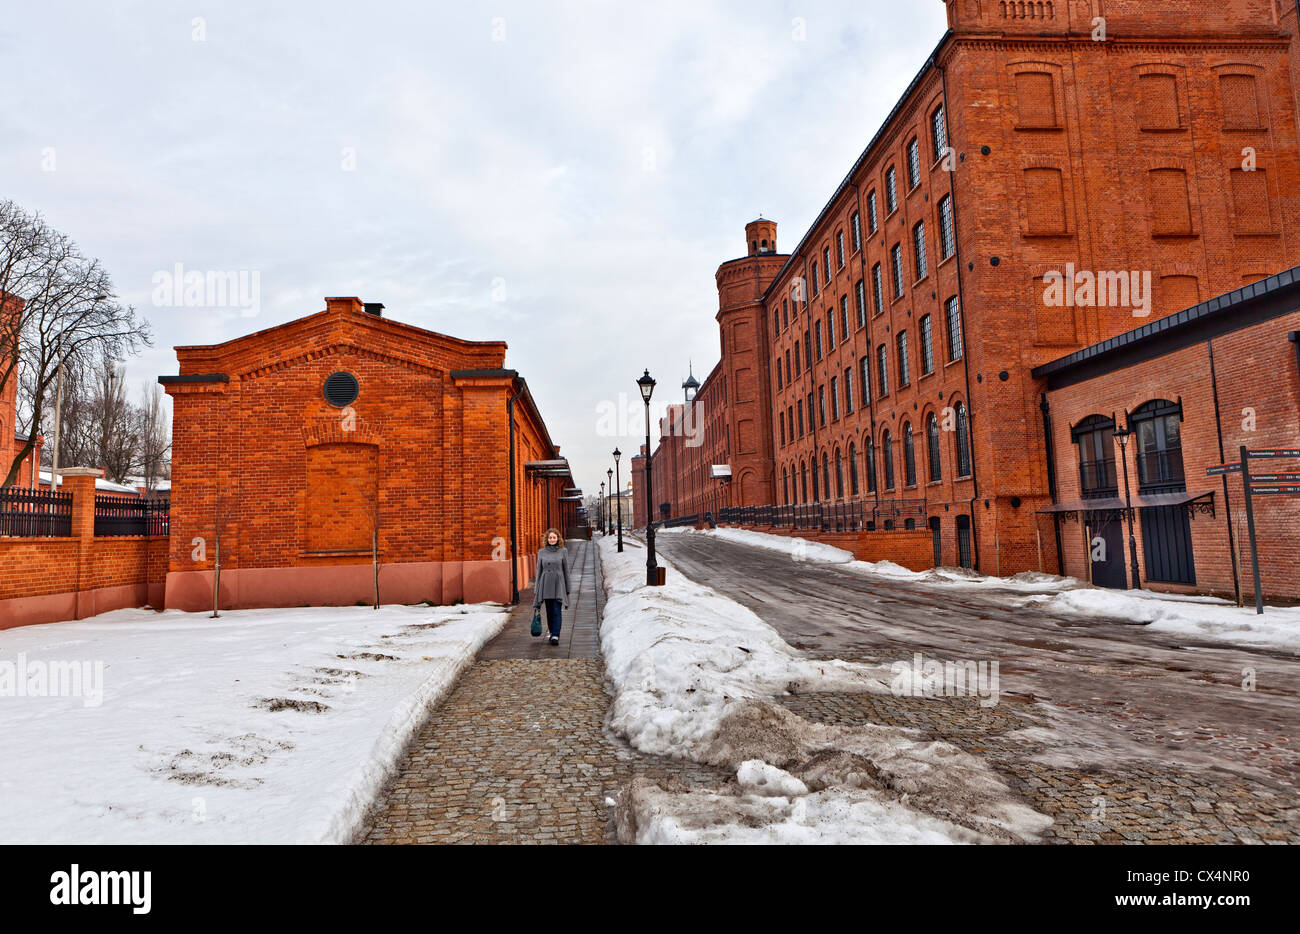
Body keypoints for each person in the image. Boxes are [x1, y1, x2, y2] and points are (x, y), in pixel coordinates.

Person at [532, 528, 570, 646]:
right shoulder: (541, 552)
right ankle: (552, 631)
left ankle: (555, 635)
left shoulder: (563, 551)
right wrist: (537, 588)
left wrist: (568, 588)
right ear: (547, 539)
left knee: (556, 610)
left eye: (554, 537)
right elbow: (539, 571)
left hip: (558, 583)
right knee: (549, 611)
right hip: (545, 583)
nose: (552, 539)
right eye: (550, 538)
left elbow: (566, 570)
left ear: (558, 538)